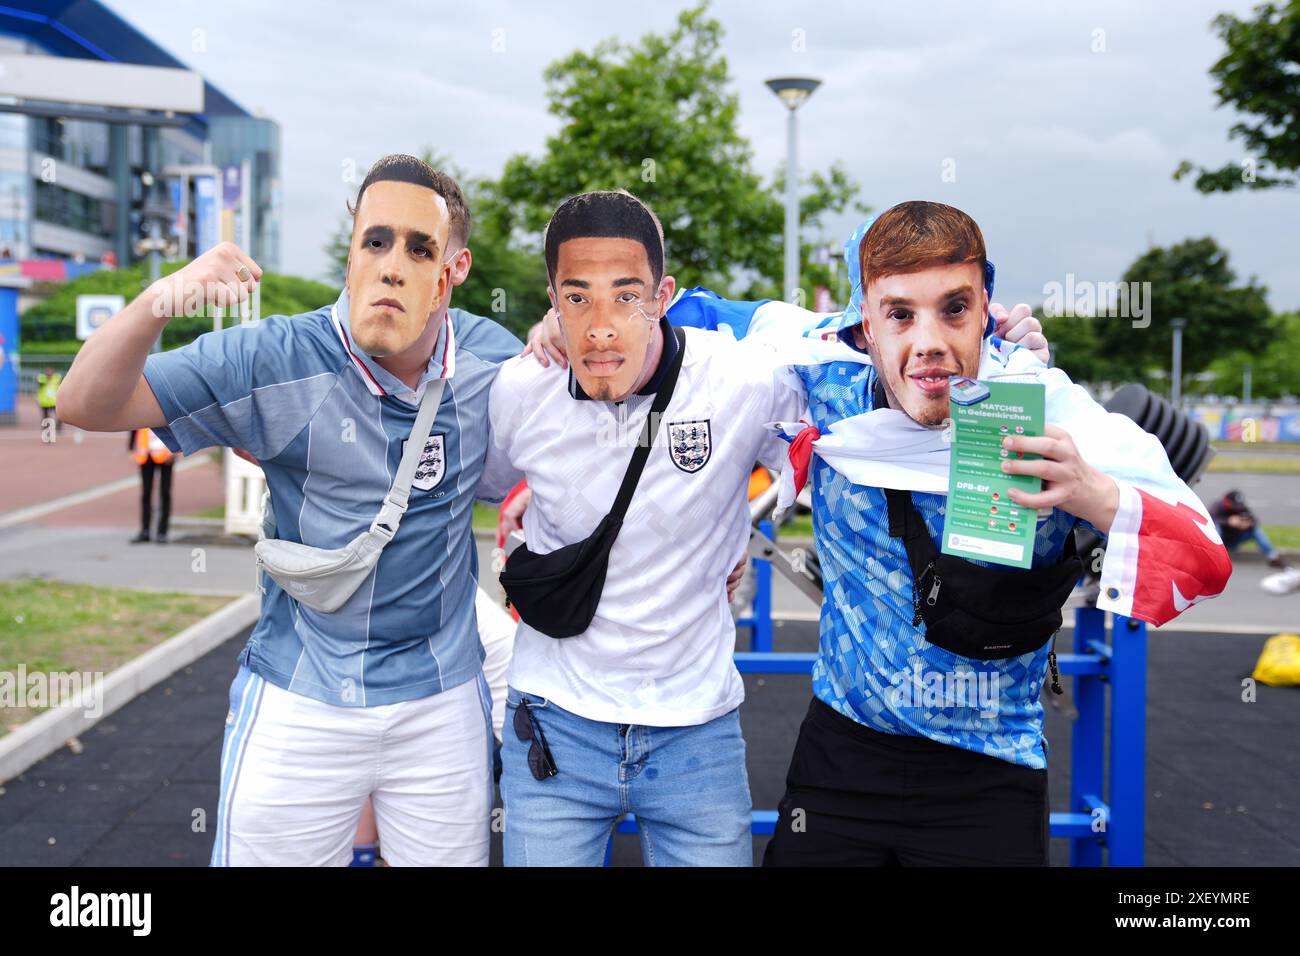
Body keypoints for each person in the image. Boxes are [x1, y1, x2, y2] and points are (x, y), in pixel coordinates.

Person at [482, 191, 1048, 867]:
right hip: (581, 730)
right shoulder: (526, 387)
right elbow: (481, 480)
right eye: (577, 298)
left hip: (721, 738)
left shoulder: (751, 377)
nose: (602, 325)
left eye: (626, 295)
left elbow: (866, 340)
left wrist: (1010, 357)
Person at [56, 154, 524, 867]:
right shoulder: (276, 359)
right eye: (376, 241)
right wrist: (163, 298)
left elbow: (597, 420)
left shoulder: (498, 363)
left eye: (419, 248)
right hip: (301, 698)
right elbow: (83, 403)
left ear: (452, 273)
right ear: (351, 253)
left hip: (440, 702)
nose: (392, 266)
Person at [738, 201, 1234, 866]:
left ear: (987, 309)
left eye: (954, 308)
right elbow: (688, 316)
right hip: (841, 759)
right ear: (863, 326)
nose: (929, 340)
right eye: (900, 314)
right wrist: (564, 335)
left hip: (988, 771)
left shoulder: (1047, 408)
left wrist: (1096, 495)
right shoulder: (821, 377)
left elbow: (1204, 560)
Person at [1212, 489, 1287, 568]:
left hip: (1236, 537)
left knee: (1256, 530)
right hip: (1222, 540)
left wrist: (1246, 525)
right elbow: (1209, 522)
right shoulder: (1217, 506)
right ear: (1226, 502)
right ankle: (1215, 556)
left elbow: (1254, 521)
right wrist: (1228, 522)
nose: (1237, 508)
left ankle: (1273, 557)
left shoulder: (1242, 507)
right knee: (1217, 527)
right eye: (1234, 505)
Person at [128, 427, 174, 543]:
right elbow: (134, 424)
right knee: (146, 493)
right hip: (146, 452)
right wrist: (131, 447)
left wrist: (175, 450)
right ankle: (145, 531)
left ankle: (162, 532)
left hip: (165, 452)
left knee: (165, 493)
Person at [36, 366, 61, 435]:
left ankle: (58, 428)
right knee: (45, 418)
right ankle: (46, 432)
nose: (49, 374)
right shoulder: (42, 379)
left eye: (50, 372)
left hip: (54, 402)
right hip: (44, 402)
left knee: (60, 416)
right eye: (47, 372)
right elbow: (39, 382)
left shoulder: (56, 378)